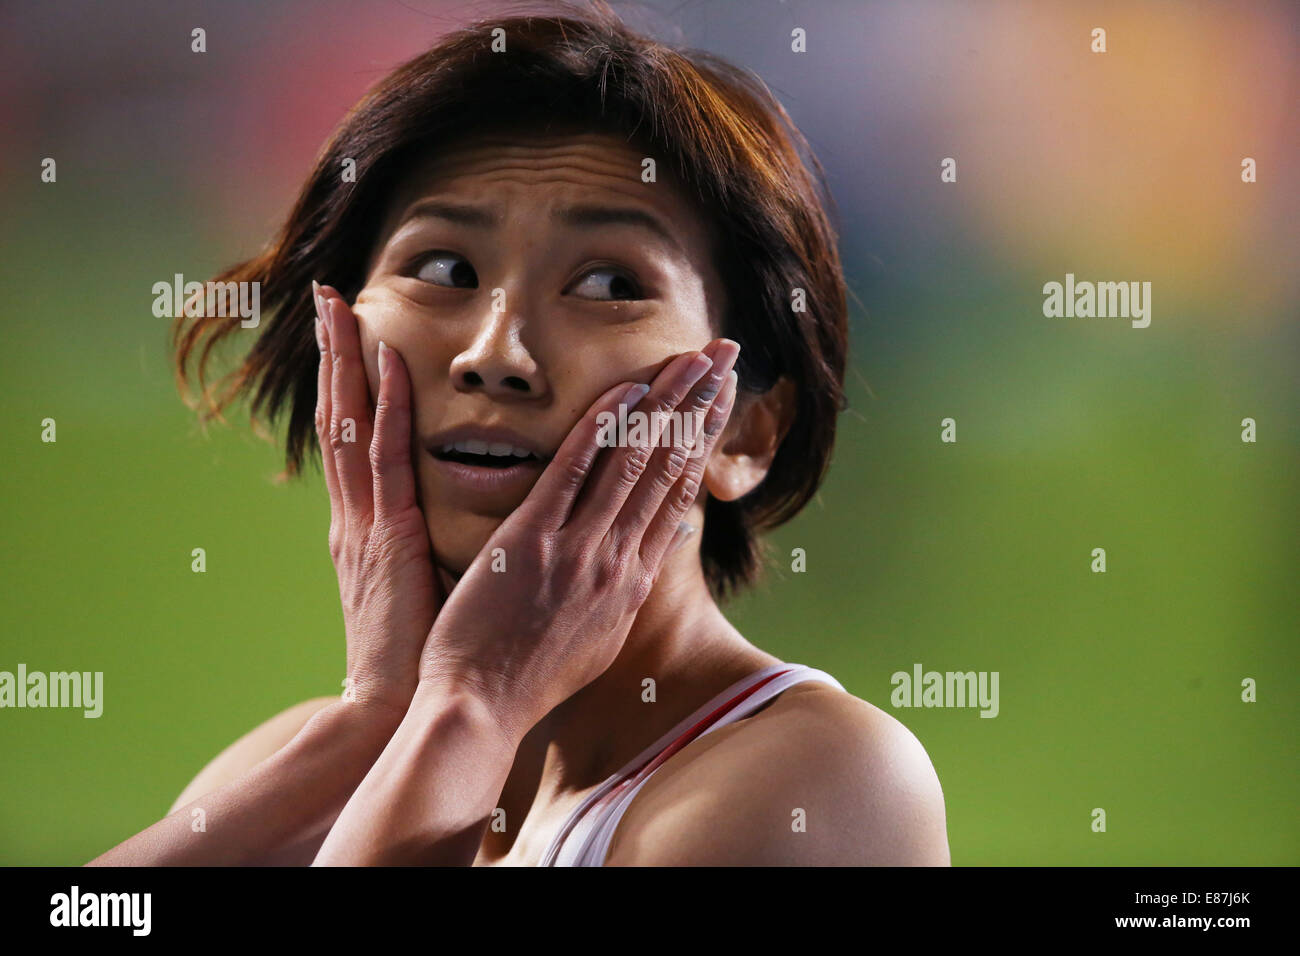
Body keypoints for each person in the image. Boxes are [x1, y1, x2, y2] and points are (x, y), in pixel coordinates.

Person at [90, 0, 949, 866]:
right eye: (444, 269)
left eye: (610, 284)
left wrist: (472, 702)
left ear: (745, 432)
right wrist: (373, 727)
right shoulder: (296, 767)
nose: (494, 355)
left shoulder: (819, 782)